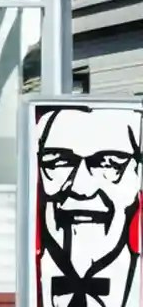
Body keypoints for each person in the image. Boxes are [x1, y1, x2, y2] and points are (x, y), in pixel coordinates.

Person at [36, 105, 142, 307]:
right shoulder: (30, 270)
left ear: (137, 175)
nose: (81, 189)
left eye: (109, 164)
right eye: (59, 162)